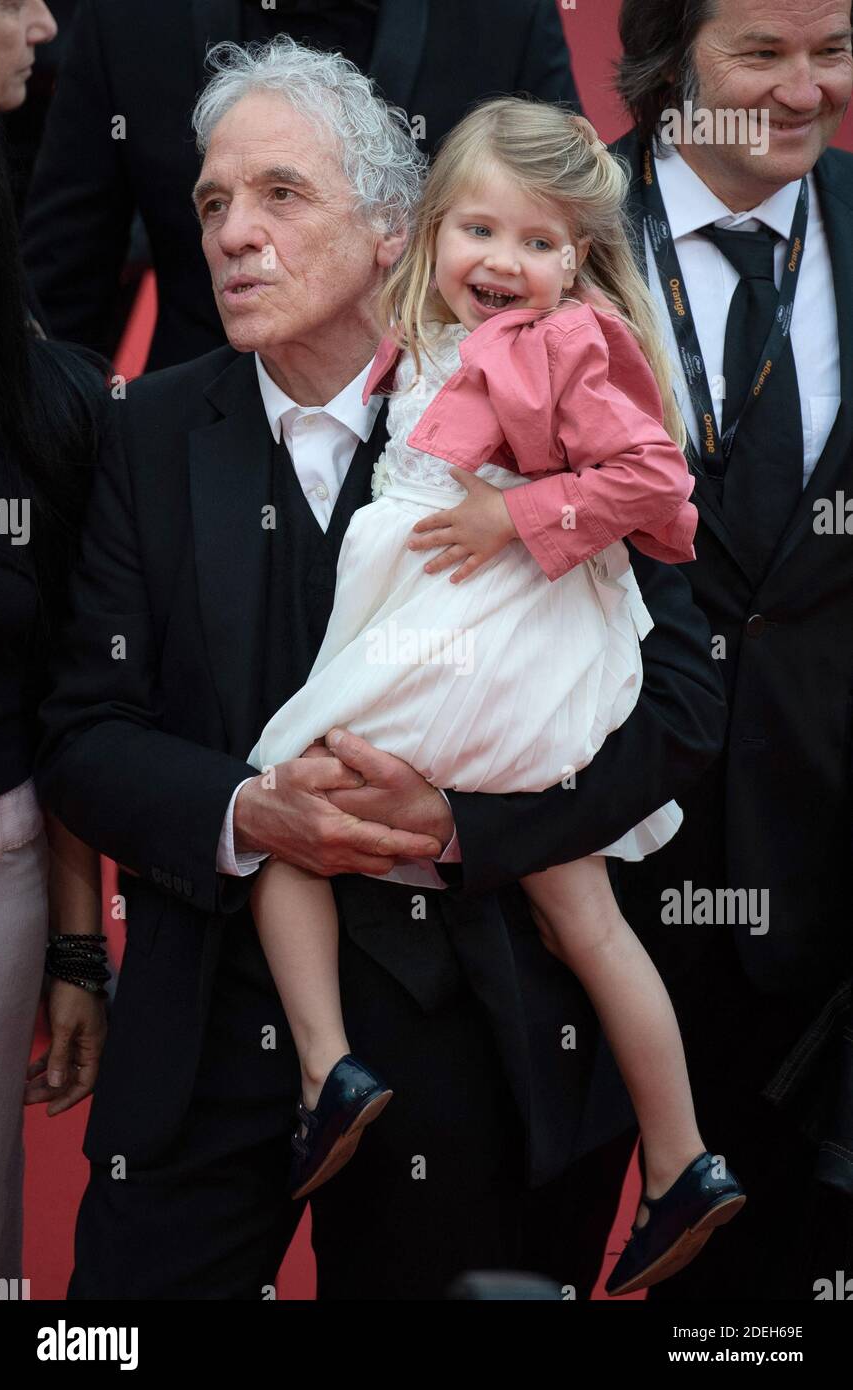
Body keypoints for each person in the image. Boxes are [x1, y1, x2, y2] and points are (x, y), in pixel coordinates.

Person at [34, 38, 727, 1301]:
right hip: (203, 1046)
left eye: (280, 194)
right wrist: (249, 812)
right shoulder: (145, 432)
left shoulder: (539, 394)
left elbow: (681, 704)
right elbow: (86, 733)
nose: (232, 234)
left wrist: (461, 824)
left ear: (392, 231)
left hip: (477, 1035)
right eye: (211, 202)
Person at [241, 93, 745, 1296]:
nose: (503, 261)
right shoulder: (427, 339)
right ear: (430, 235)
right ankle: (681, 1159)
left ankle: (324, 1072)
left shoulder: (564, 342)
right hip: (481, 656)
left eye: (537, 241)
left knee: (279, 809)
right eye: (478, 230)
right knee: (584, 918)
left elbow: (656, 488)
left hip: (492, 650)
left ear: (577, 260)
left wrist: (514, 513)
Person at [598, 0, 853, 1299]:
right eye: (761, 53)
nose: (806, 90)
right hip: (575, 873)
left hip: (818, 903)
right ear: (665, 61)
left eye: (833, 49)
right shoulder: (555, 227)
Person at [21, 0, 581, 370]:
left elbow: (565, 231)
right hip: (192, 447)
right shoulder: (129, 16)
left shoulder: (505, 15)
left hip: (449, 435)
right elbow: (65, 279)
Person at [0, 101, 108, 1284]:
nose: (42, 24)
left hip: (1, 874)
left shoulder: (47, 408)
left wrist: (79, 952)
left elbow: (67, 698)